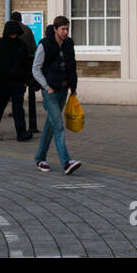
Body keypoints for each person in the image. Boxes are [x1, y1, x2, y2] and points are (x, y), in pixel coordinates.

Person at [32, 14, 81, 174]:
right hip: (50, 92)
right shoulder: (44, 45)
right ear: (55, 29)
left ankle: (40, 158)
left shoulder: (69, 43)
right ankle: (66, 162)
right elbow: (35, 68)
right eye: (63, 29)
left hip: (64, 90)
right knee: (58, 125)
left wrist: (73, 87)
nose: (66, 32)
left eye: (67, 29)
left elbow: (71, 66)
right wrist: (46, 87)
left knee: (50, 125)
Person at [0, 19, 32, 140]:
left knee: (18, 109)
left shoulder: (21, 45)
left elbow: (26, 64)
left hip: (18, 81)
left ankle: (21, 132)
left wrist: (25, 81)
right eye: (11, 33)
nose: (13, 35)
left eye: (15, 33)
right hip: (2, 82)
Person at [13, 11, 40, 136]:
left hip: (17, 64)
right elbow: (34, 47)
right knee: (27, 88)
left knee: (17, 93)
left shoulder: (12, 31)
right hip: (29, 62)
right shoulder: (28, 30)